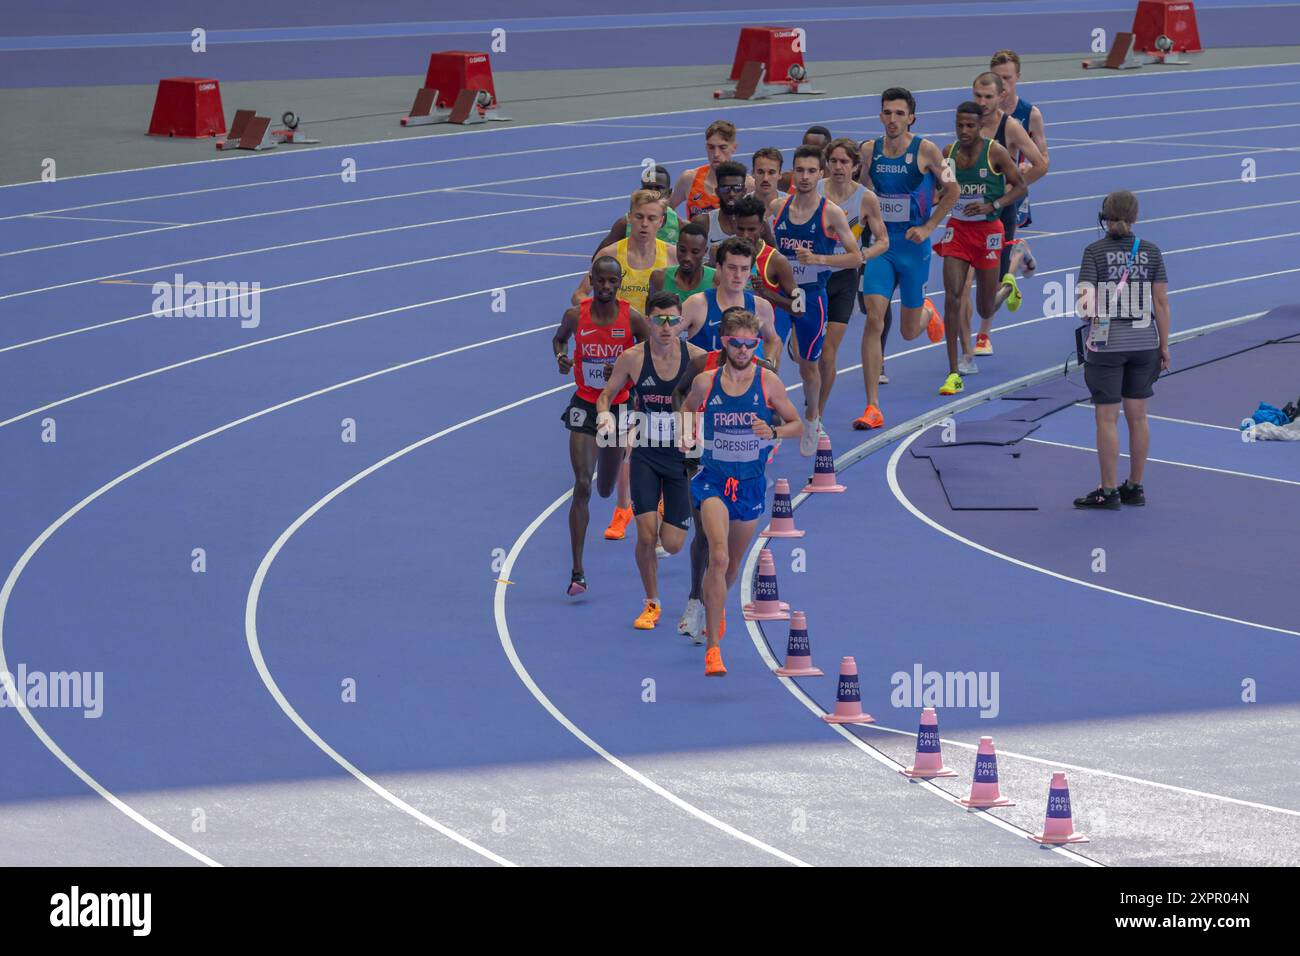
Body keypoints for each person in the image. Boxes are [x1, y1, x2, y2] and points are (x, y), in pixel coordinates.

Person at [677, 309, 809, 676]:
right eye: (736, 343)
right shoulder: (706, 383)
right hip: (714, 480)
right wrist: (687, 436)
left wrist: (774, 433)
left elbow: (798, 424)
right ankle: (714, 649)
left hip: (750, 485)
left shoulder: (768, 384)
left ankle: (709, 606)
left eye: (751, 343)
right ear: (724, 342)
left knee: (732, 566)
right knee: (717, 557)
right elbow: (686, 410)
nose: (743, 350)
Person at [573, 190, 679, 539]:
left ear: (662, 222)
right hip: (612, 358)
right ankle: (623, 503)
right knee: (625, 435)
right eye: (640, 217)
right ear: (629, 217)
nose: (646, 224)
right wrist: (600, 321)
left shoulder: (670, 256)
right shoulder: (609, 256)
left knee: (653, 431)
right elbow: (578, 297)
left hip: (656, 353)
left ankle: (639, 504)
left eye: (653, 219)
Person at [597, 291, 705, 626]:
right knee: (646, 535)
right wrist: (604, 415)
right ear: (648, 321)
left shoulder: (697, 358)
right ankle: (652, 603)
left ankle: (663, 514)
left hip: (682, 458)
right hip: (644, 451)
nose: (667, 326)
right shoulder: (631, 358)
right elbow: (606, 395)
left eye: (674, 319)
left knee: (671, 544)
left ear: (681, 322)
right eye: (659, 319)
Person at [855, 87, 958, 430]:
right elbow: (860, 192)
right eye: (887, 112)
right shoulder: (869, 151)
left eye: (900, 113)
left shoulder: (925, 150)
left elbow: (953, 189)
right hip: (882, 247)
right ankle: (872, 406)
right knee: (873, 319)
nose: (893, 119)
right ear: (880, 116)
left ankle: (927, 311)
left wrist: (930, 226)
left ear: (911, 117)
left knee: (910, 331)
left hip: (914, 249)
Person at [554, 257, 650, 595]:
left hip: (618, 407)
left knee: (606, 487)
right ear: (591, 281)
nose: (606, 287)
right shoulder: (575, 315)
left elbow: (650, 352)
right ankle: (577, 572)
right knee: (583, 484)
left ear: (619, 282)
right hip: (584, 404)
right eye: (601, 281)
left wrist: (626, 371)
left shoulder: (632, 318)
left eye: (612, 281)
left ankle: (613, 493)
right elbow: (559, 339)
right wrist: (561, 358)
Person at [1073, 190, 1170, 510]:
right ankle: (1135, 487)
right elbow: (1161, 303)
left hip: (1107, 345)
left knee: (1106, 419)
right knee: (1139, 417)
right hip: (1146, 343)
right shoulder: (1152, 252)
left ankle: (1108, 491)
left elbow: (1085, 306)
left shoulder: (1094, 252)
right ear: (1136, 217)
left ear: (1104, 217)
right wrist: (1164, 346)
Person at [770, 145, 863, 453]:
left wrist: (819, 259)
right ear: (792, 173)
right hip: (779, 296)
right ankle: (770, 424)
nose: (805, 177)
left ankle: (812, 416)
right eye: (800, 171)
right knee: (769, 361)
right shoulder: (776, 208)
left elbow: (855, 258)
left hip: (811, 297)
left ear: (820, 174)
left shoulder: (832, 213)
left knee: (809, 367)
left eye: (811, 171)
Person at [932, 102, 1026, 396]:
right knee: (952, 296)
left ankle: (1007, 286)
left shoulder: (994, 151)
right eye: (959, 125)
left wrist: (992, 205)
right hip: (958, 231)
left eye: (970, 126)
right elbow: (940, 189)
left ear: (980, 125)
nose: (964, 131)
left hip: (988, 233)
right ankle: (953, 372)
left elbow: (1020, 186)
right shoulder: (948, 153)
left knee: (985, 307)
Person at [959, 70, 1047, 359]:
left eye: (988, 97)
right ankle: (968, 347)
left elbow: (1040, 163)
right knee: (963, 281)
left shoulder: (1010, 127)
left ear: (1001, 97)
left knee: (990, 286)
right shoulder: (967, 123)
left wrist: (1010, 190)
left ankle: (1017, 256)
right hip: (969, 213)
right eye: (977, 95)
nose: (982, 102)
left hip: (1000, 215)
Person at [815, 137, 889, 418]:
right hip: (814, 275)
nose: (838, 167)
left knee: (829, 352)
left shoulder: (866, 198)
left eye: (844, 162)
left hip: (844, 277)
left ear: (856, 166)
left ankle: (817, 413)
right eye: (833, 161)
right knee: (803, 352)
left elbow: (883, 241)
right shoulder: (816, 189)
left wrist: (863, 255)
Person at [681, 237, 782, 361]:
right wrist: (696, 355)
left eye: (744, 269)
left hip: (743, 379)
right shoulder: (697, 304)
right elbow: (667, 336)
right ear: (719, 267)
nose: (738, 275)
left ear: (750, 271)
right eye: (732, 268)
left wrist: (769, 362)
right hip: (703, 378)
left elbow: (773, 340)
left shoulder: (761, 307)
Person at [731, 195, 800, 345]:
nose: (745, 235)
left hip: (766, 340)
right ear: (734, 224)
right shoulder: (722, 254)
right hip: (732, 337)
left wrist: (766, 293)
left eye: (751, 229)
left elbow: (799, 307)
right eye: (741, 229)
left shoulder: (776, 261)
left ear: (762, 227)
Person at [669, 119, 755, 220]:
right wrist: (681, 228)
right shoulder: (689, 179)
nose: (716, 154)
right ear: (706, 147)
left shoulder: (747, 184)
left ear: (734, 147)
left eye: (722, 147)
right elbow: (667, 208)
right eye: (711, 147)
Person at [692, 160, 775, 262]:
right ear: (717, 191)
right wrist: (713, 264)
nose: (731, 194)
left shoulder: (758, 223)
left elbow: (773, 258)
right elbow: (692, 263)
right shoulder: (703, 223)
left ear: (744, 191)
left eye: (737, 188)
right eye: (725, 189)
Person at [591, 165, 682, 254]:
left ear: (669, 193)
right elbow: (598, 259)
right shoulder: (624, 224)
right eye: (648, 188)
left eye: (659, 188)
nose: (653, 192)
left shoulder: (679, 225)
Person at [648, 221, 715, 305]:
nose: (687, 257)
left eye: (695, 252)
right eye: (682, 250)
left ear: (705, 251)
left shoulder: (717, 279)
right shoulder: (659, 278)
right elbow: (651, 314)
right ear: (677, 246)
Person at [778, 125, 832, 192]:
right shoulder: (787, 179)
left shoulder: (837, 181)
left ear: (828, 150)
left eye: (817, 150)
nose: (811, 154)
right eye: (807, 148)